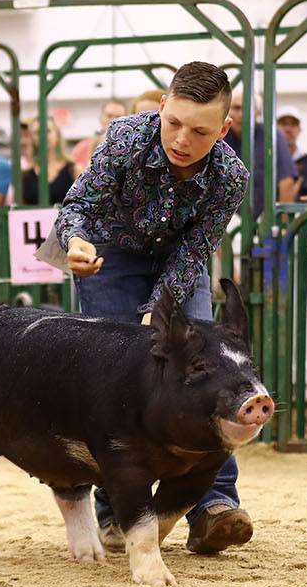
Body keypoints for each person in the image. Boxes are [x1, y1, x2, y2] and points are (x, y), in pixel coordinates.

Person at [52, 62, 253, 556]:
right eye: (174, 122)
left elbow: (194, 250)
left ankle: (213, 505)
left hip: (180, 263)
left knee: (205, 369)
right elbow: (77, 205)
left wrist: (157, 312)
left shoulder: (231, 176)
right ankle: (115, 512)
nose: (182, 139)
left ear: (224, 128)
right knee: (111, 376)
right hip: (110, 256)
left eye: (200, 131)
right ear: (162, 106)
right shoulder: (124, 137)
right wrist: (74, 241)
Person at [225, 90, 297, 216]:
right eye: (236, 108)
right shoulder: (220, 135)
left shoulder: (271, 135)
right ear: (228, 111)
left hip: (263, 218)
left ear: (258, 113)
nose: (241, 114)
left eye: (248, 108)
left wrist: (283, 225)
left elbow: (286, 182)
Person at [17, 117, 76, 205]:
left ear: (57, 136)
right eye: (37, 133)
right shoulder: (25, 175)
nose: (43, 136)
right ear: (32, 139)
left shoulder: (74, 170)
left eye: (47, 131)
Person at [275, 106, 307, 199]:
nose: (288, 129)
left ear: (299, 129)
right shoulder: (266, 162)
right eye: (283, 124)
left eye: (293, 124)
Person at [70, 100, 127, 170]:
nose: (113, 121)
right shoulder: (82, 148)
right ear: (101, 118)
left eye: (118, 117)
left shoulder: (132, 148)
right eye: (109, 116)